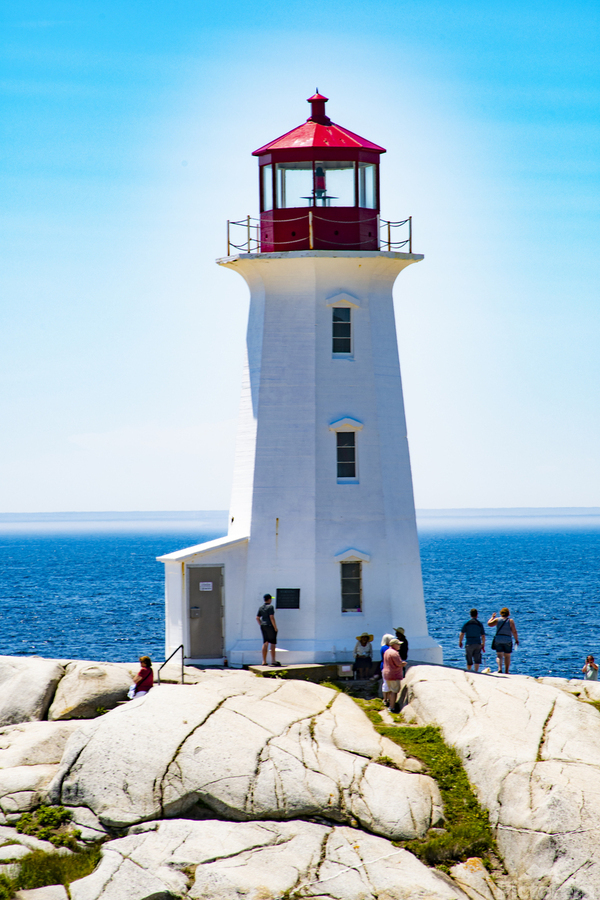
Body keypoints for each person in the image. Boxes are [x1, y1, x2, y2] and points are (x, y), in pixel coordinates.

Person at [488, 607, 519, 674]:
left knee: (499, 655)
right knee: (507, 655)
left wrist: (492, 617)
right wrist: (516, 639)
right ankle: (507, 671)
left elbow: (489, 624)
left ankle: (500, 668)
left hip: (498, 639)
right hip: (507, 640)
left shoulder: (497, 620)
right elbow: (514, 631)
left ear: (501, 613)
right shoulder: (510, 621)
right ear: (508, 614)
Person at [382, 638, 405, 713]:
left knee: (390, 690)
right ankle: (392, 707)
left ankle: (389, 704)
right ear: (393, 644)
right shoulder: (394, 653)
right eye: (398, 644)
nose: (399, 646)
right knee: (394, 691)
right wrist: (404, 664)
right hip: (393, 675)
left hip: (387, 674)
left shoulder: (387, 651)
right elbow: (399, 664)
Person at [256, 594, 278, 666]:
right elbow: (271, 617)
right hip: (270, 625)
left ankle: (264, 661)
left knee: (265, 642)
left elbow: (257, 617)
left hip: (263, 626)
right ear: (269, 599)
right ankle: (273, 660)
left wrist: (261, 624)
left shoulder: (261, 607)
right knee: (272, 643)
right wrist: (275, 627)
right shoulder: (270, 607)